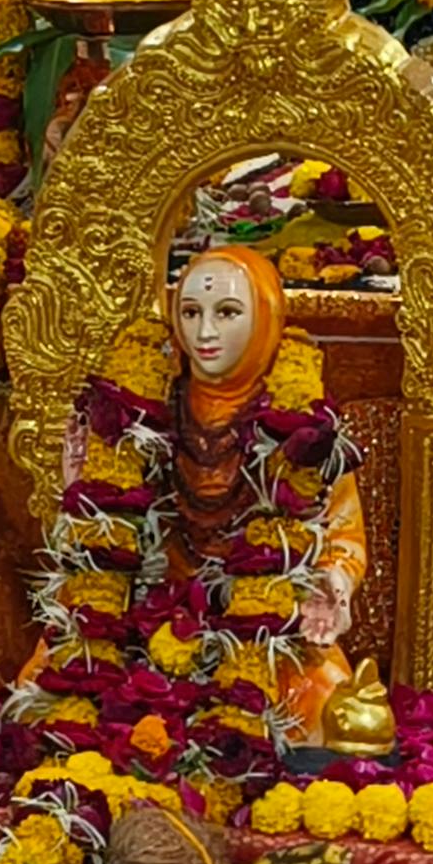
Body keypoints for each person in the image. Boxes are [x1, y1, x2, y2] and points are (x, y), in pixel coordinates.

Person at [144, 246, 365, 740]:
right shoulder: (146, 404)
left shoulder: (305, 426)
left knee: (333, 724)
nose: (204, 334)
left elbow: (343, 533)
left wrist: (333, 581)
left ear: (266, 315)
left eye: (227, 313)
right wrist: (76, 488)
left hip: (272, 622)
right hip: (160, 613)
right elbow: (107, 529)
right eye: (190, 312)